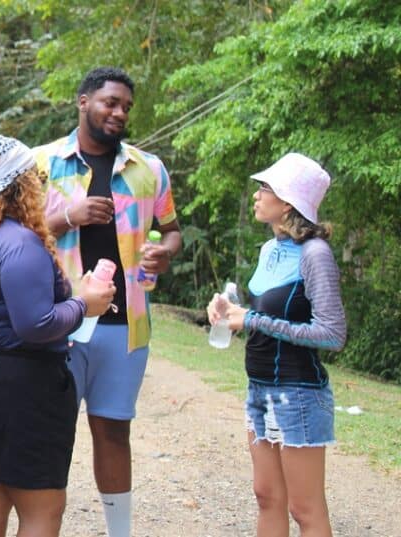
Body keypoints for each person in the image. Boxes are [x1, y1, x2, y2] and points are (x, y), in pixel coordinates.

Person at [0, 135, 115, 537]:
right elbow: (35, 325)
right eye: (37, 177)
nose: (41, 185)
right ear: (21, 185)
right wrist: (85, 303)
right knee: (41, 512)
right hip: (23, 390)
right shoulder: (21, 244)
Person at [33, 66, 182, 537]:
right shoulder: (40, 164)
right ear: (83, 102)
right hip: (60, 322)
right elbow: (9, 238)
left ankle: (120, 532)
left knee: (114, 431)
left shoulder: (148, 169)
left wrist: (164, 253)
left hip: (126, 326)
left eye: (125, 107)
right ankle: (40, 526)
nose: (119, 113)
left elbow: (173, 231)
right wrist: (67, 216)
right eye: (110, 103)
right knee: (51, 432)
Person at [207, 153, 345, 537]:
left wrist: (252, 320)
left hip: (299, 393)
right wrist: (232, 312)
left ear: (287, 201)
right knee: (266, 496)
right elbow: (271, 312)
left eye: (264, 188)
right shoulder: (270, 250)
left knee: (305, 509)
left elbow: (332, 333)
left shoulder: (316, 255)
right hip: (260, 388)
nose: (257, 194)